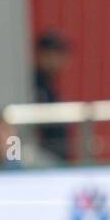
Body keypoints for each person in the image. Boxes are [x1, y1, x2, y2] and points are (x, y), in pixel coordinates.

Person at [33, 30, 71, 162]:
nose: (58, 60)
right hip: (39, 158)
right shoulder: (33, 84)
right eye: (54, 54)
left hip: (54, 157)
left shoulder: (48, 85)